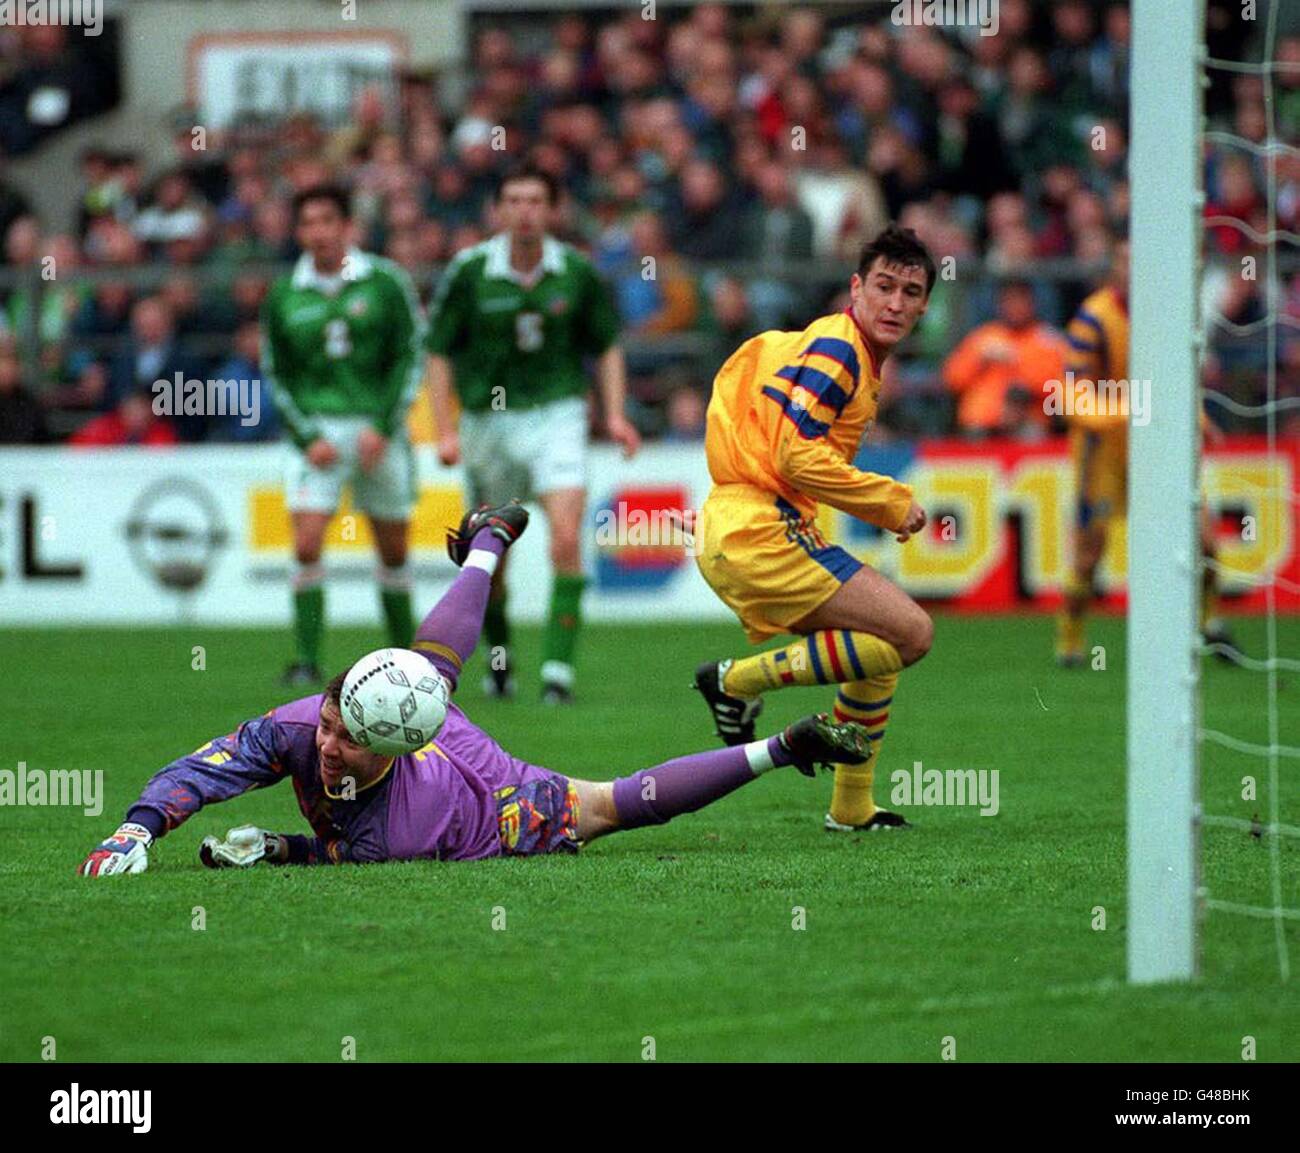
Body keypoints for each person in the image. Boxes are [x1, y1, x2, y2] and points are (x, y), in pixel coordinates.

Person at [78, 503, 869, 875]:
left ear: (386, 746)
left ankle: (776, 748)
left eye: (343, 740)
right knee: (433, 668)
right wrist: (138, 828)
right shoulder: (309, 724)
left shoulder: (396, 832)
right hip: (439, 737)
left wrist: (275, 849)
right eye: (327, 722)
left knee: (610, 806)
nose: (324, 744)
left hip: (496, 808)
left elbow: (333, 850)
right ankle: (489, 537)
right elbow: (210, 766)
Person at [691, 224, 934, 833]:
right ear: (856, 287)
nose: (896, 303)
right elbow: (797, 455)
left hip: (740, 522)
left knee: (878, 650)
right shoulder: (841, 348)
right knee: (912, 632)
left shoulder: (824, 344)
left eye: (910, 292)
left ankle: (851, 809)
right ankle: (734, 681)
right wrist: (888, 502)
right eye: (884, 286)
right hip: (762, 527)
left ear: (926, 304)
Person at [425, 164, 640, 704]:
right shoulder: (470, 271)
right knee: (492, 555)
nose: (525, 211)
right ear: (499, 211)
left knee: (566, 537)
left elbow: (607, 344)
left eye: (535, 200)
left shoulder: (576, 271)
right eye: (514, 200)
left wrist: (614, 413)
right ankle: (500, 664)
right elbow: (437, 351)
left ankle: (557, 677)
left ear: (553, 210)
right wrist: (444, 429)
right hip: (487, 423)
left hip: (557, 414)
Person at [261, 184, 425, 686]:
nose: (319, 232)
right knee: (307, 543)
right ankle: (308, 660)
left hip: (378, 428)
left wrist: (384, 424)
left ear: (347, 226)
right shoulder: (285, 293)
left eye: (328, 221)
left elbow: (410, 353)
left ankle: (408, 660)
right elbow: (276, 370)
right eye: (308, 223)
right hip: (319, 431)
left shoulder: (384, 281)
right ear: (298, 232)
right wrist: (307, 434)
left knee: (393, 550)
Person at [1055, 239, 1237, 665]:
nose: (1134, 271)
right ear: (1114, 269)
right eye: (1125, 262)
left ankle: (1210, 623)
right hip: (1104, 450)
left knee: (1205, 540)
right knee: (1089, 551)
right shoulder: (1093, 319)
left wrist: (1198, 418)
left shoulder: (1168, 315)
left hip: (1160, 447)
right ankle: (1070, 642)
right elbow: (1068, 393)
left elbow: (1178, 379)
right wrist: (1125, 411)